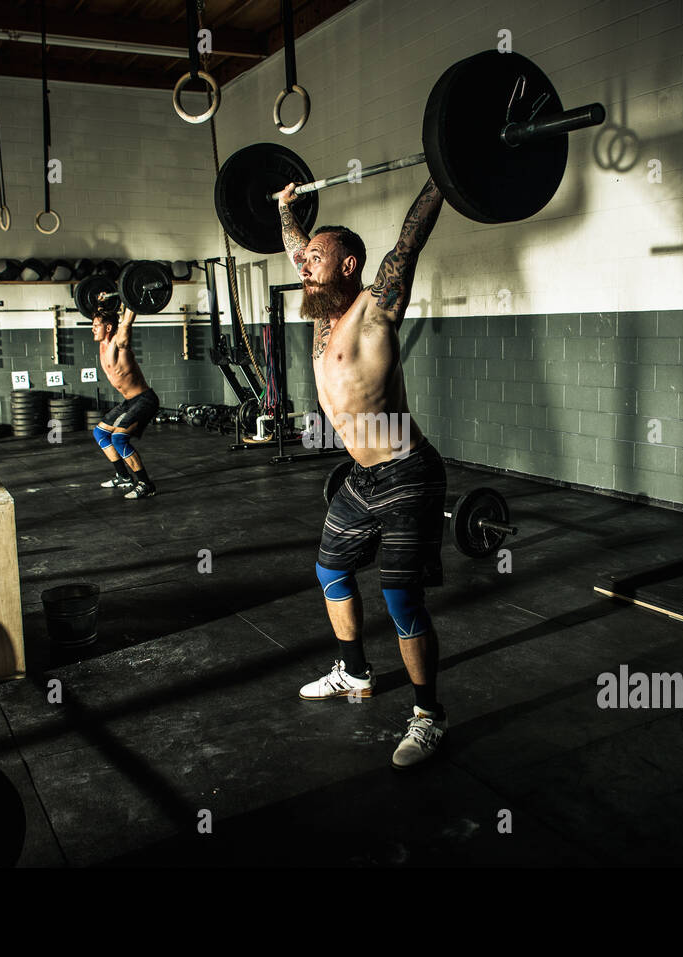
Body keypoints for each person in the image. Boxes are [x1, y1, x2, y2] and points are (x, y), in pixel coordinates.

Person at [280, 176, 447, 769]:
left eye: (316, 260)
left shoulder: (376, 309)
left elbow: (411, 238)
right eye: (305, 258)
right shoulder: (323, 321)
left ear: (349, 265)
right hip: (361, 476)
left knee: (401, 595)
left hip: (408, 472)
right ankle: (354, 672)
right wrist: (285, 210)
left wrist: (443, 175)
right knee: (329, 567)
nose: (304, 266)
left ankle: (428, 716)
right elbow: (294, 246)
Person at [88, 291, 159, 499]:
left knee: (119, 438)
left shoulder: (119, 342)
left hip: (145, 400)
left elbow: (127, 321)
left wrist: (133, 292)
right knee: (100, 433)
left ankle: (146, 484)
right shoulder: (102, 342)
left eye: (96, 325)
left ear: (108, 328)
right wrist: (100, 301)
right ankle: (123, 476)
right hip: (129, 401)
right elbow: (100, 314)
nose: (92, 328)